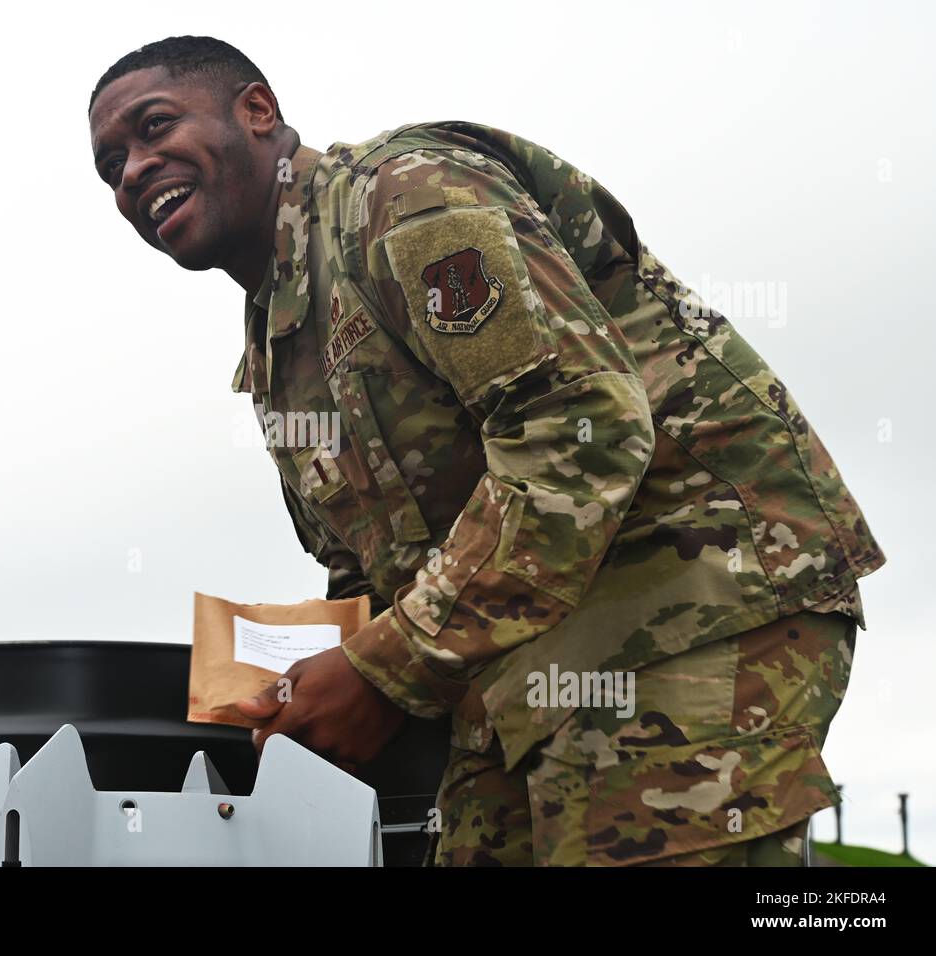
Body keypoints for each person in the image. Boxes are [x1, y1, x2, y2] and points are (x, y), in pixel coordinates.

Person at [88, 35, 886, 865]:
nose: (134, 170)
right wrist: (301, 691)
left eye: (153, 129)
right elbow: (376, 566)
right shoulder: (277, 348)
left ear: (257, 111)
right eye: (111, 165)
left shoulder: (405, 196)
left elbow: (578, 430)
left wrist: (378, 670)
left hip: (685, 600)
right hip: (508, 675)